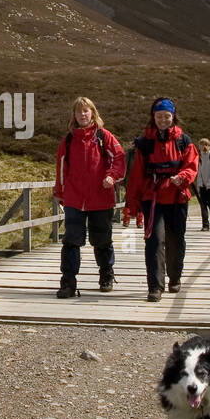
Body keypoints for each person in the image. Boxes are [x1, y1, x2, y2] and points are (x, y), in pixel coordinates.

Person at [124, 98, 199, 302]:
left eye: (167, 116)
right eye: (159, 116)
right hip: (153, 197)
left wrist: (182, 178)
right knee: (154, 241)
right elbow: (136, 175)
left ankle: (175, 277)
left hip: (177, 196)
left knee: (176, 239)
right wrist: (132, 203)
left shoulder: (184, 141)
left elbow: (191, 165)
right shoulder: (145, 144)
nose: (163, 120)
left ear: (173, 116)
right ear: (153, 117)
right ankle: (155, 286)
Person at [52, 97, 126, 298]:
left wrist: (112, 176)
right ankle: (68, 282)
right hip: (74, 199)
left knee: (102, 240)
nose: (82, 115)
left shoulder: (104, 136)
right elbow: (61, 169)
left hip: (100, 198)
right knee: (71, 241)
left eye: (86, 111)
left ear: (93, 113)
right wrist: (59, 192)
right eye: (78, 112)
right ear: (74, 115)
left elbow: (119, 158)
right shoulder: (68, 140)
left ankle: (106, 274)